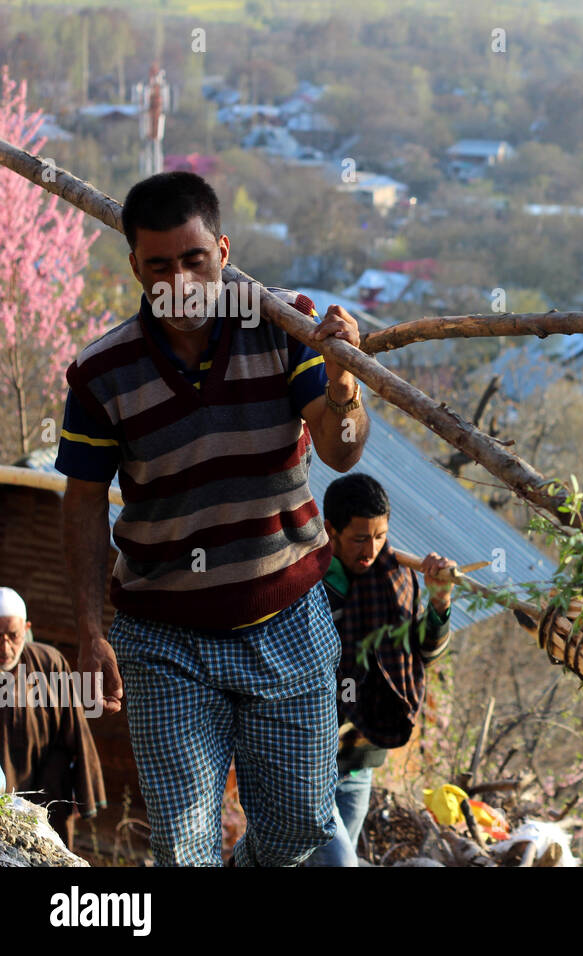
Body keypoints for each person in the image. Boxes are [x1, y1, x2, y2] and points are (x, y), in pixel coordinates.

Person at [55, 171, 370, 866]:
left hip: (289, 620)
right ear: (135, 266)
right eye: (159, 264)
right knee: (186, 843)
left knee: (298, 830)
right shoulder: (102, 374)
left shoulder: (285, 326)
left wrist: (344, 384)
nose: (179, 280)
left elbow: (340, 451)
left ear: (223, 251)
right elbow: (81, 502)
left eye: (195, 259)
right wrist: (87, 629)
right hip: (165, 638)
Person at [304, 474, 457, 866]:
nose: (371, 549)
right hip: (306, 758)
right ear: (330, 531)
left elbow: (421, 654)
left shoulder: (397, 581)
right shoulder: (308, 587)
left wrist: (440, 600)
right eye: (359, 538)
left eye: (380, 535)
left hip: (359, 759)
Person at [0, 586, 107, 850]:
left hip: (47, 788)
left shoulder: (49, 663)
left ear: (26, 629)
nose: (4, 646)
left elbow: (75, 729)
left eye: (12, 636)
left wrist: (84, 790)